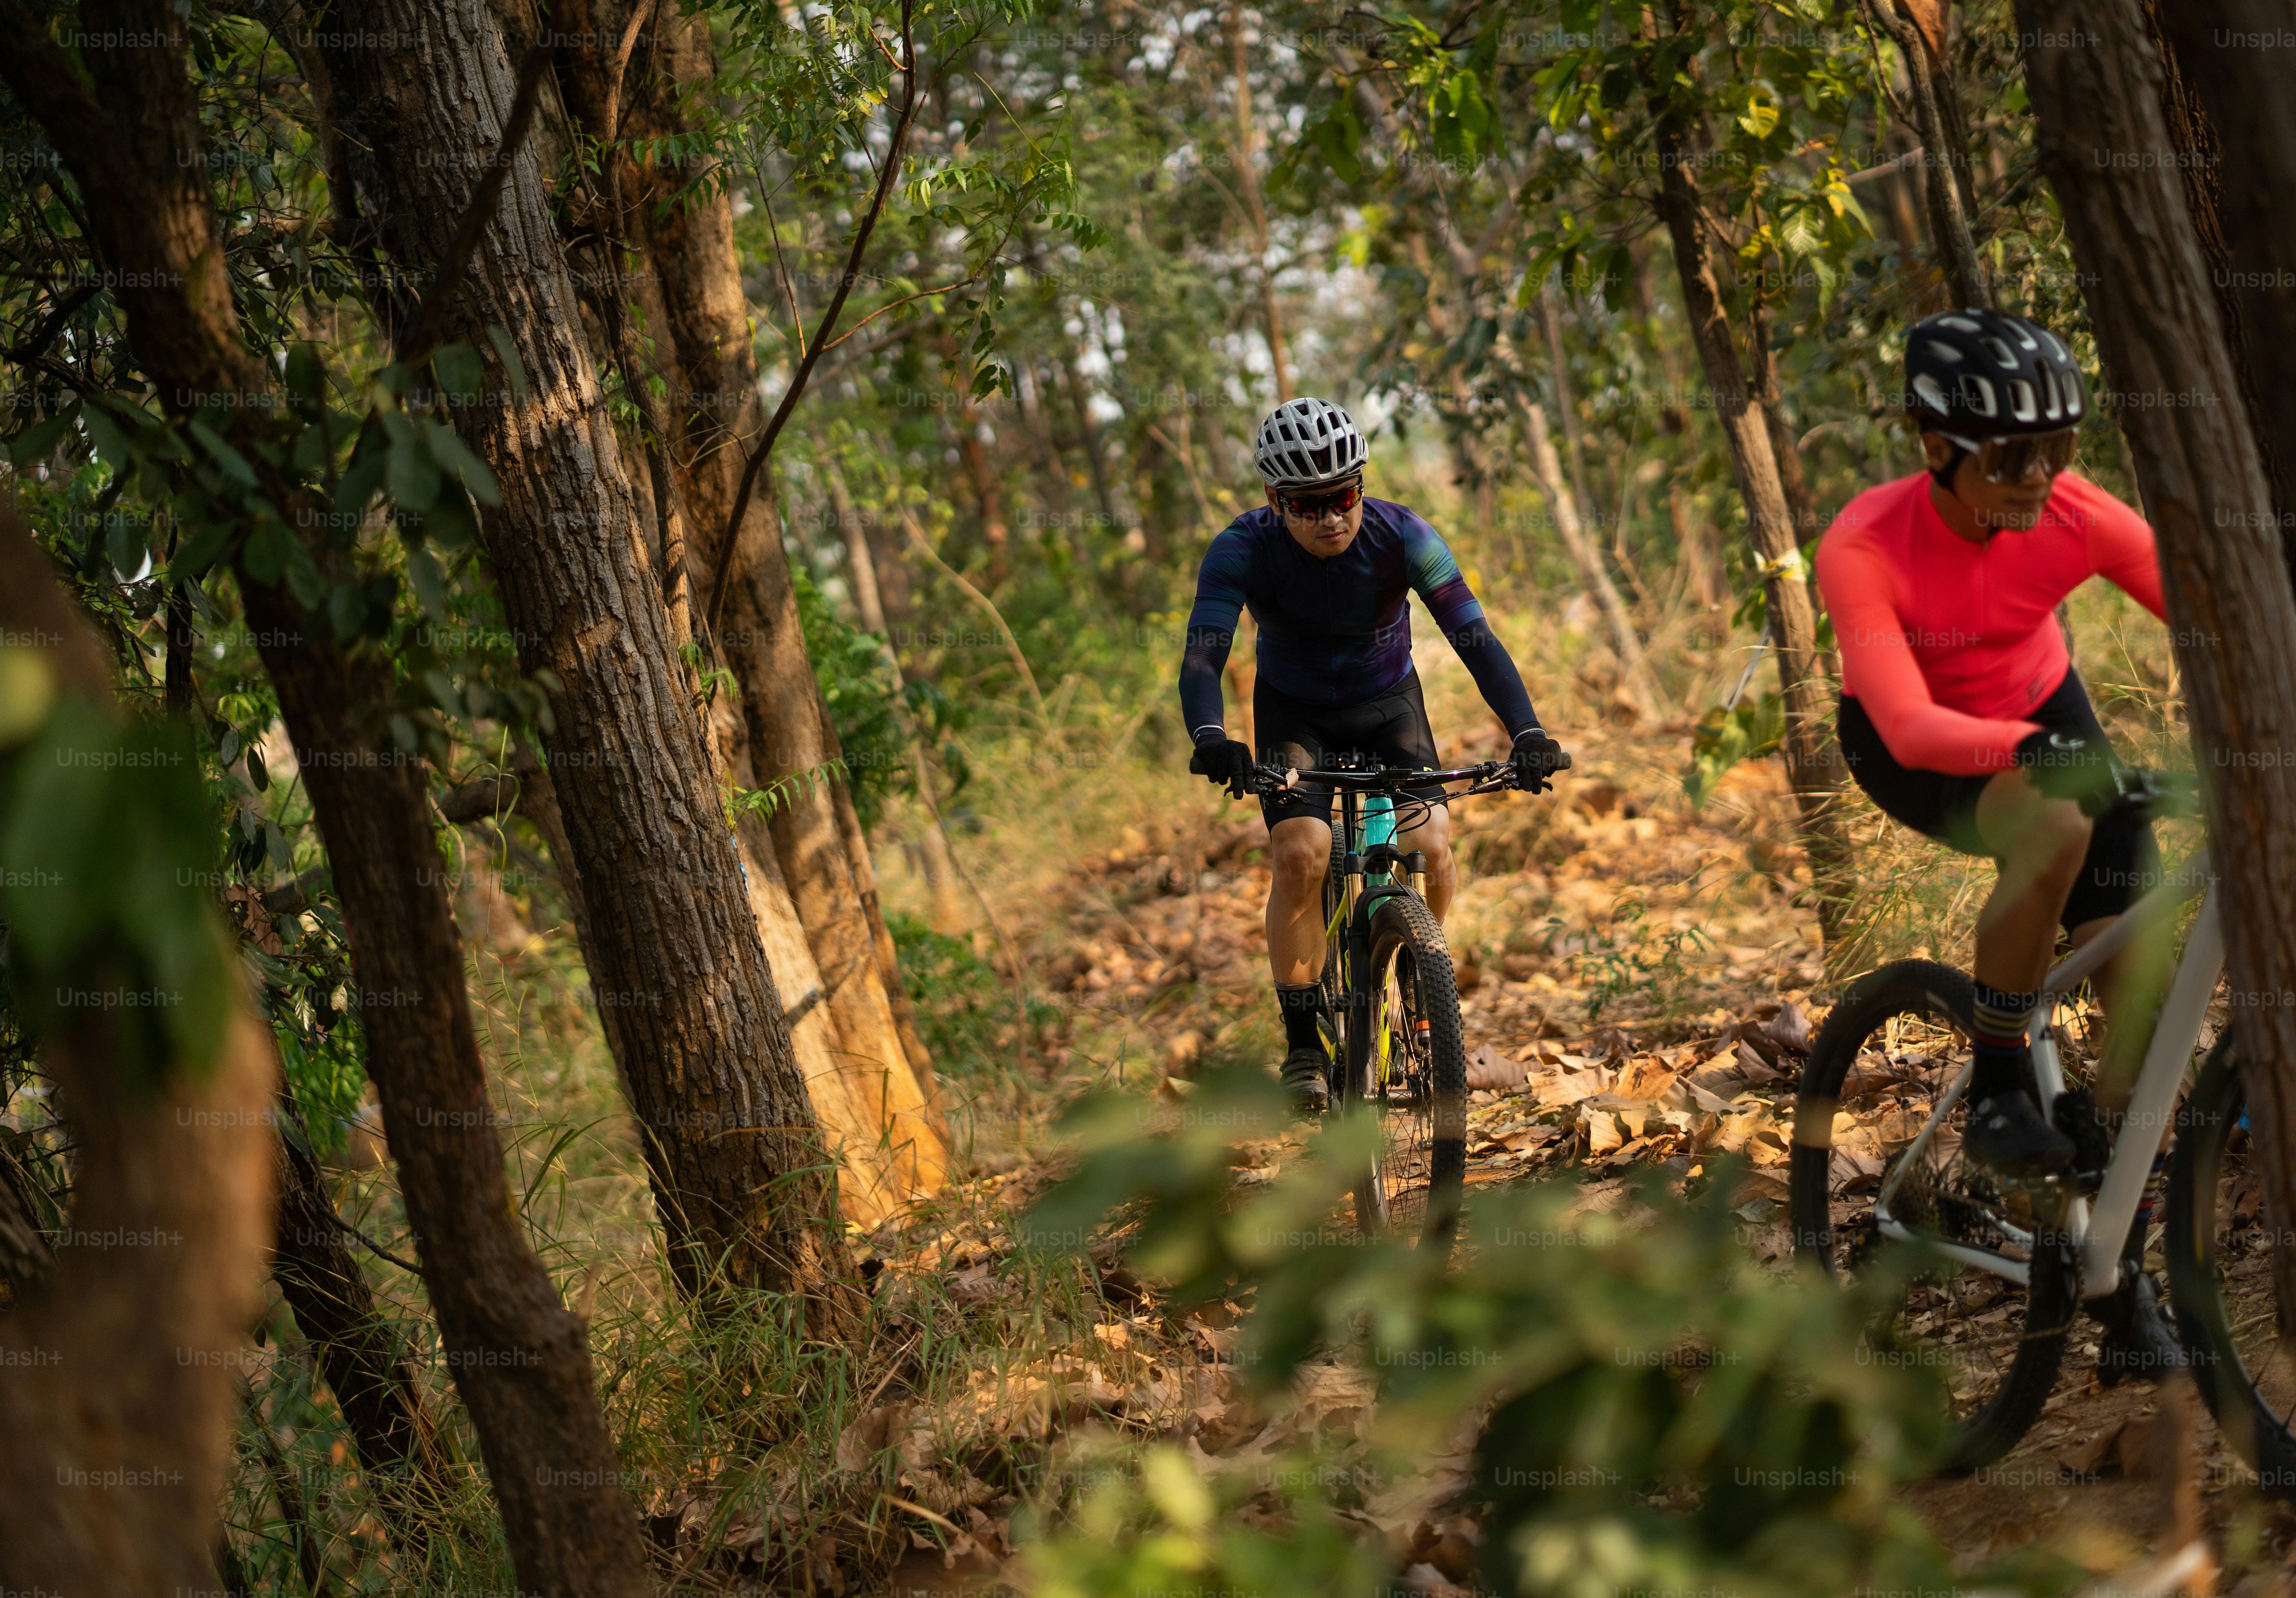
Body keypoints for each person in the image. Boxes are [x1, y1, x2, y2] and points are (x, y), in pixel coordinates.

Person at [1816, 308, 2167, 1177]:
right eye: (2011, 456)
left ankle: (2112, 1192)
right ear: (1934, 448)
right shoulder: (1864, 543)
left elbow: (2220, 618)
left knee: (2133, 949)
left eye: (2056, 446)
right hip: (1909, 745)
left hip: (2044, 707)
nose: (2038, 478)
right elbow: (1906, 721)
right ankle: (1998, 1089)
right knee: (2052, 818)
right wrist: (2036, 754)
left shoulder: (2073, 512)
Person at [1178, 397, 1566, 1112]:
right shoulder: (1241, 547)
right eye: (1308, 504)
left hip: (1390, 704)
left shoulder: (1404, 535)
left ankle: (1425, 979)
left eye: (1344, 496)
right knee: (1300, 851)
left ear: (1362, 484)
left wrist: (1527, 732)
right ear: (1274, 500)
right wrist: (1211, 739)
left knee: (1433, 841)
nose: (1331, 517)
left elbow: (1472, 637)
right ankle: (1302, 1044)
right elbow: (1205, 653)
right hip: (1294, 712)